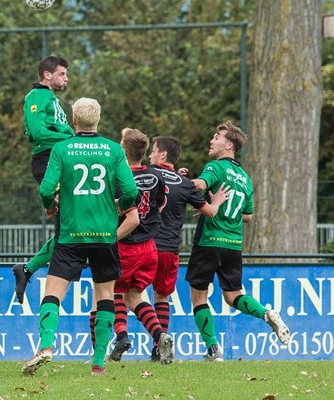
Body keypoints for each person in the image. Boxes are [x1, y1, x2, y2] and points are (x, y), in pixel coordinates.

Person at [22, 97, 138, 376]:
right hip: (104, 235)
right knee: (105, 295)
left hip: (71, 233)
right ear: (97, 120)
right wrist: (120, 206)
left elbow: (46, 189)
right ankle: (99, 361)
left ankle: (47, 345)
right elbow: (131, 190)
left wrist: (51, 205)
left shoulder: (61, 149)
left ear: (73, 121)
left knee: (53, 292)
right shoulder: (113, 150)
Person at [187, 121, 290, 361]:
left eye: (216, 137)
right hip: (232, 244)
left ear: (229, 145)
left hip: (209, 241)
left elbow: (199, 185)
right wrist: (212, 207)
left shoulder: (216, 167)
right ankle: (266, 314)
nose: (212, 140)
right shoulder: (244, 178)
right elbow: (248, 216)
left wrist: (174, 181)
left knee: (198, 296)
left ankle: (213, 349)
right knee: (232, 295)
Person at [146, 135, 229, 361]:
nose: (150, 155)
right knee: (162, 296)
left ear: (162, 154)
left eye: (153, 150)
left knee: (126, 294)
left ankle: (123, 341)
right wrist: (218, 200)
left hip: (146, 247)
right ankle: (158, 349)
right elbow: (210, 212)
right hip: (170, 251)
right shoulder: (184, 183)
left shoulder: (147, 174)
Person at [102, 128, 174, 364]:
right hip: (149, 247)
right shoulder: (156, 176)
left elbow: (116, 210)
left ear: (123, 150)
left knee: (111, 292)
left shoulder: (119, 178)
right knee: (133, 296)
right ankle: (159, 335)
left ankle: (121, 335)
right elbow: (160, 206)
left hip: (125, 245)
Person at [12, 55, 74, 304]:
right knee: (67, 227)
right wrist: (71, 139)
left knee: (68, 229)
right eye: (62, 73)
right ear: (47, 75)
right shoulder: (36, 96)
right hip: (48, 162)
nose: (66, 78)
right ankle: (32, 271)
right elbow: (37, 132)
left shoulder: (52, 99)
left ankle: (26, 269)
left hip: (58, 161)